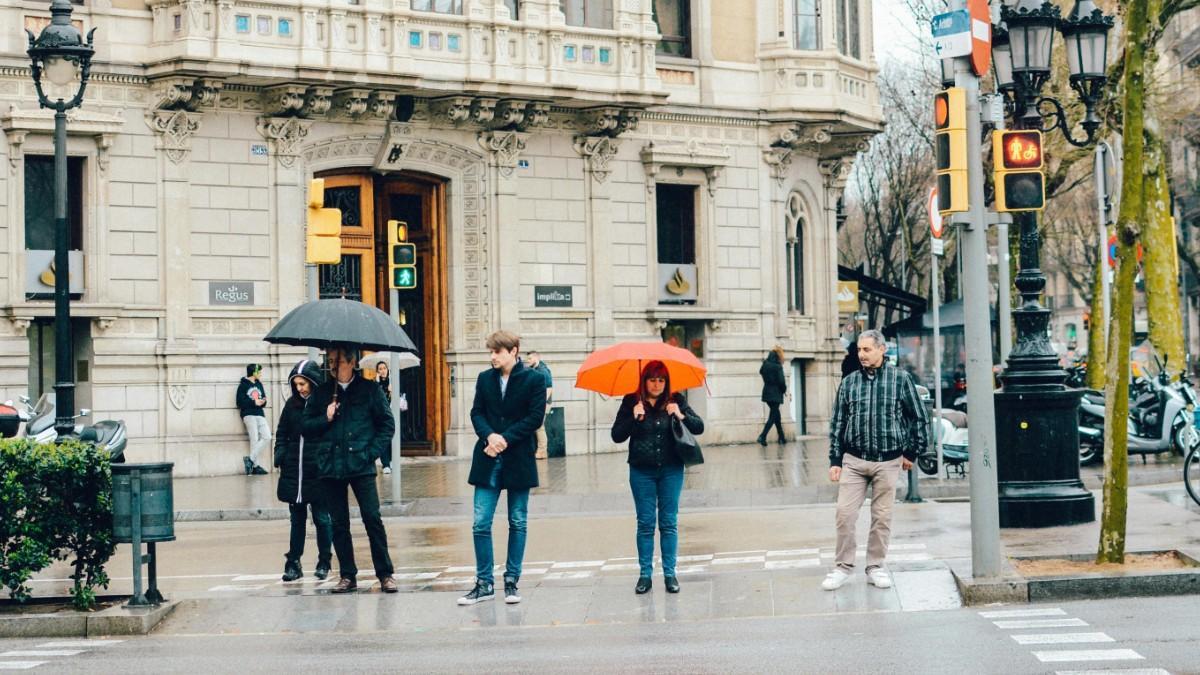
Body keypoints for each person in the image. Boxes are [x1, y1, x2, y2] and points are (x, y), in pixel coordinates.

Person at [823, 329, 929, 592]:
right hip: (854, 460)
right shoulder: (849, 383)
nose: (861, 354)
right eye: (859, 350)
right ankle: (842, 567)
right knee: (844, 515)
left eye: (867, 349)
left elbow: (918, 417)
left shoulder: (901, 380)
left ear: (882, 350)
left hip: (888, 461)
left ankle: (875, 567)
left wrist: (912, 452)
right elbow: (838, 422)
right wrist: (835, 459)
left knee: (881, 517)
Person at [458, 330, 546, 606]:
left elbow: (535, 417)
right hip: (487, 457)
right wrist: (489, 436)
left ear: (514, 351)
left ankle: (511, 581)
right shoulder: (485, 379)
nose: (492, 357)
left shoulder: (534, 379)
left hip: (518, 456)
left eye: (497, 352)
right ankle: (484, 583)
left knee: (517, 521)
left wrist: (504, 439)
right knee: (480, 522)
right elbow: (476, 412)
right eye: (491, 352)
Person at [302, 346, 398, 594]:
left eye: (338, 361)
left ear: (351, 362)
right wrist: (325, 417)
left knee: (372, 518)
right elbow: (306, 427)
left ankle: (385, 573)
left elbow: (387, 425)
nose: (333, 366)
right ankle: (347, 575)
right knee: (339, 523)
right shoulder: (322, 393)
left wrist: (370, 453)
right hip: (330, 464)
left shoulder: (369, 390)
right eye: (330, 361)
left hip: (360, 464)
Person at [611, 361, 704, 595]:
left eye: (661, 380)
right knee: (645, 523)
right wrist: (633, 418)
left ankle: (670, 574)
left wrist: (680, 415)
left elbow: (699, 427)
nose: (657, 384)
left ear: (667, 382)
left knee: (668, 523)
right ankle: (645, 575)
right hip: (642, 471)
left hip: (671, 470)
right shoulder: (632, 401)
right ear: (644, 381)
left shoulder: (676, 400)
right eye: (652, 379)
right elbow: (616, 436)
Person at [273, 359, 332, 582]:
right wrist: (280, 455)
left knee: (321, 519)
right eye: (296, 384)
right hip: (294, 471)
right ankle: (293, 562)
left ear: (313, 382)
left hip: (317, 470)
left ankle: (324, 561)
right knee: (296, 519)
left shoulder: (325, 404)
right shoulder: (291, 405)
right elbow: (282, 432)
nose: (300, 388)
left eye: (303, 384)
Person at [236, 363, 271, 475]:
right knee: (254, 438)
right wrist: (253, 402)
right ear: (253, 373)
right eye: (259, 372)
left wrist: (263, 401)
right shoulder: (243, 385)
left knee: (267, 436)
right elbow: (239, 402)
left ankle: (250, 460)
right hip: (248, 414)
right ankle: (255, 466)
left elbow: (264, 398)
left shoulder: (259, 384)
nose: (260, 374)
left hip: (259, 413)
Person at [525, 351, 553, 460]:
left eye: (530, 359)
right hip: (539, 403)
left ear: (536, 358)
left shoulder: (543, 371)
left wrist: (540, 404)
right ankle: (540, 451)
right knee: (537, 426)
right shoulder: (536, 370)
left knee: (539, 426)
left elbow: (549, 389)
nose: (528, 361)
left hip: (543, 404)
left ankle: (542, 451)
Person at [756, 345, 787, 446]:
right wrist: (784, 390)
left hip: (767, 392)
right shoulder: (778, 367)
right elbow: (781, 382)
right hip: (776, 393)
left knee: (776, 414)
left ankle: (781, 437)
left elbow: (761, 371)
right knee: (773, 416)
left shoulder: (765, 364)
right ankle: (762, 436)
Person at [375, 361, 393, 475]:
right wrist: (377, 385)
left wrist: (393, 390)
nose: (382, 371)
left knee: (391, 439)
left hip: (391, 415)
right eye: (380, 369)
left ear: (388, 369)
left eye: (384, 368)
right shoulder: (375, 384)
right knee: (383, 439)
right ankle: (385, 464)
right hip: (380, 416)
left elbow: (400, 398)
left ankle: (390, 461)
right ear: (377, 371)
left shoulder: (393, 381)